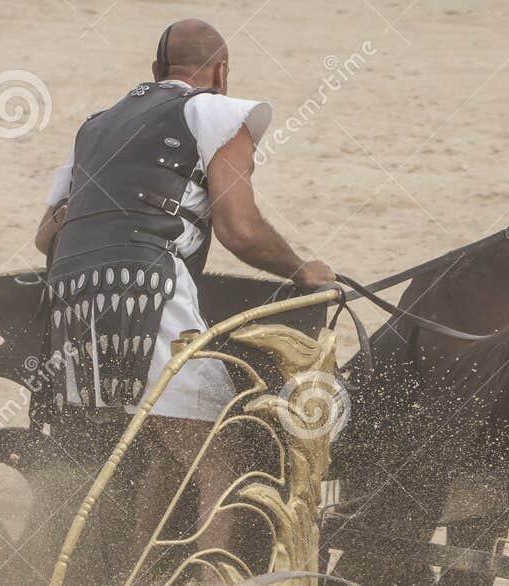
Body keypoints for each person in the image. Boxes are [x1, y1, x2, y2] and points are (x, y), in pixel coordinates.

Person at [34, 18, 336, 554]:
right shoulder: (218, 112)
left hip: (73, 307)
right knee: (222, 451)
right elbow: (241, 231)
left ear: (156, 72)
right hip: (148, 294)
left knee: (171, 446)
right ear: (220, 72)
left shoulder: (95, 126)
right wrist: (302, 271)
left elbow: (44, 238)